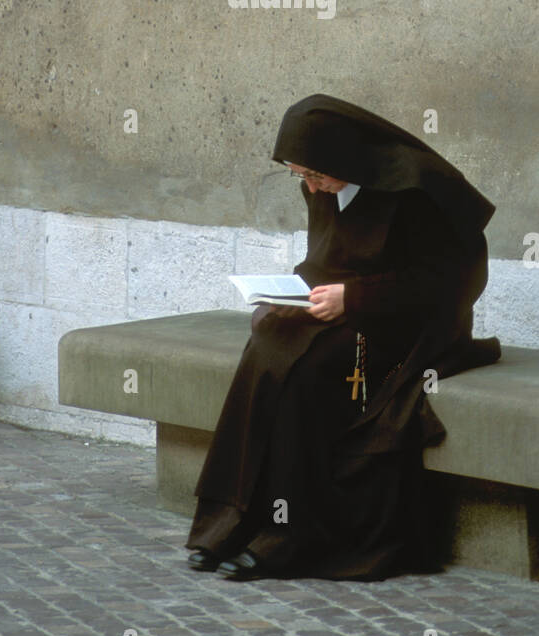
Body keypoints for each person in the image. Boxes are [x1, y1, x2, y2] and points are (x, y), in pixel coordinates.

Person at [184, 93, 499, 581]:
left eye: (316, 175)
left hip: (411, 327)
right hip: (343, 313)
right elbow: (326, 258)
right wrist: (287, 296)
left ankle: (290, 537)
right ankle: (227, 524)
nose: (311, 188)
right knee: (265, 350)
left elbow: (451, 283)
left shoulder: (417, 188)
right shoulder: (321, 182)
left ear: (343, 157)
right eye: (300, 177)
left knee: (307, 371)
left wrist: (354, 300)